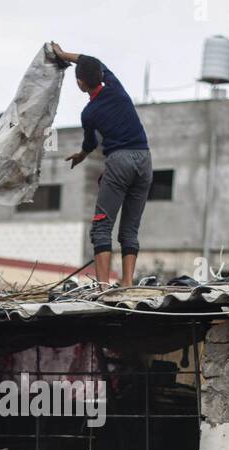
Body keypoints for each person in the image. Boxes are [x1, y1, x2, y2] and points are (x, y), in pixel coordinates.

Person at [51, 41, 153, 288]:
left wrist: (81, 156)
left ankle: (104, 287)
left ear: (80, 84)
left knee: (101, 227)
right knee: (130, 229)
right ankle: (128, 284)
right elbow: (91, 59)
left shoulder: (89, 113)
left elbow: (90, 142)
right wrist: (66, 55)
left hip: (120, 162)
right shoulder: (116, 87)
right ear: (101, 75)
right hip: (145, 159)